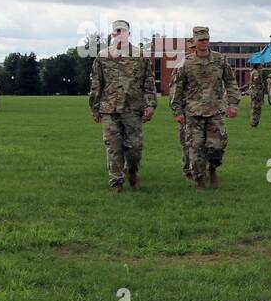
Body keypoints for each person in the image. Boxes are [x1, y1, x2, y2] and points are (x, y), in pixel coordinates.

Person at [89, 19, 156, 192]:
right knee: (113, 146)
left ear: (128, 34)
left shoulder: (139, 55)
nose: (119, 34)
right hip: (109, 109)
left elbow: (148, 82)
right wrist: (94, 108)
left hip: (133, 108)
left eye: (122, 31)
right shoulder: (103, 56)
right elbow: (97, 84)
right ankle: (116, 182)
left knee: (134, 148)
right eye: (116, 31)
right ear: (112, 34)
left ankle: (132, 170)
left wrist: (150, 105)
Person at [170, 26, 239, 189]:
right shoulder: (187, 63)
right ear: (194, 41)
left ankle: (213, 168)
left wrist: (233, 104)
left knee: (217, 146)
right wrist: (177, 111)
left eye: (206, 39)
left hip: (215, 111)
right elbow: (177, 87)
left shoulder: (220, 60)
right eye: (200, 40)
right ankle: (200, 179)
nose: (204, 43)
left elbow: (230, 82)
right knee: (195, 147)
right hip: (193, 112)